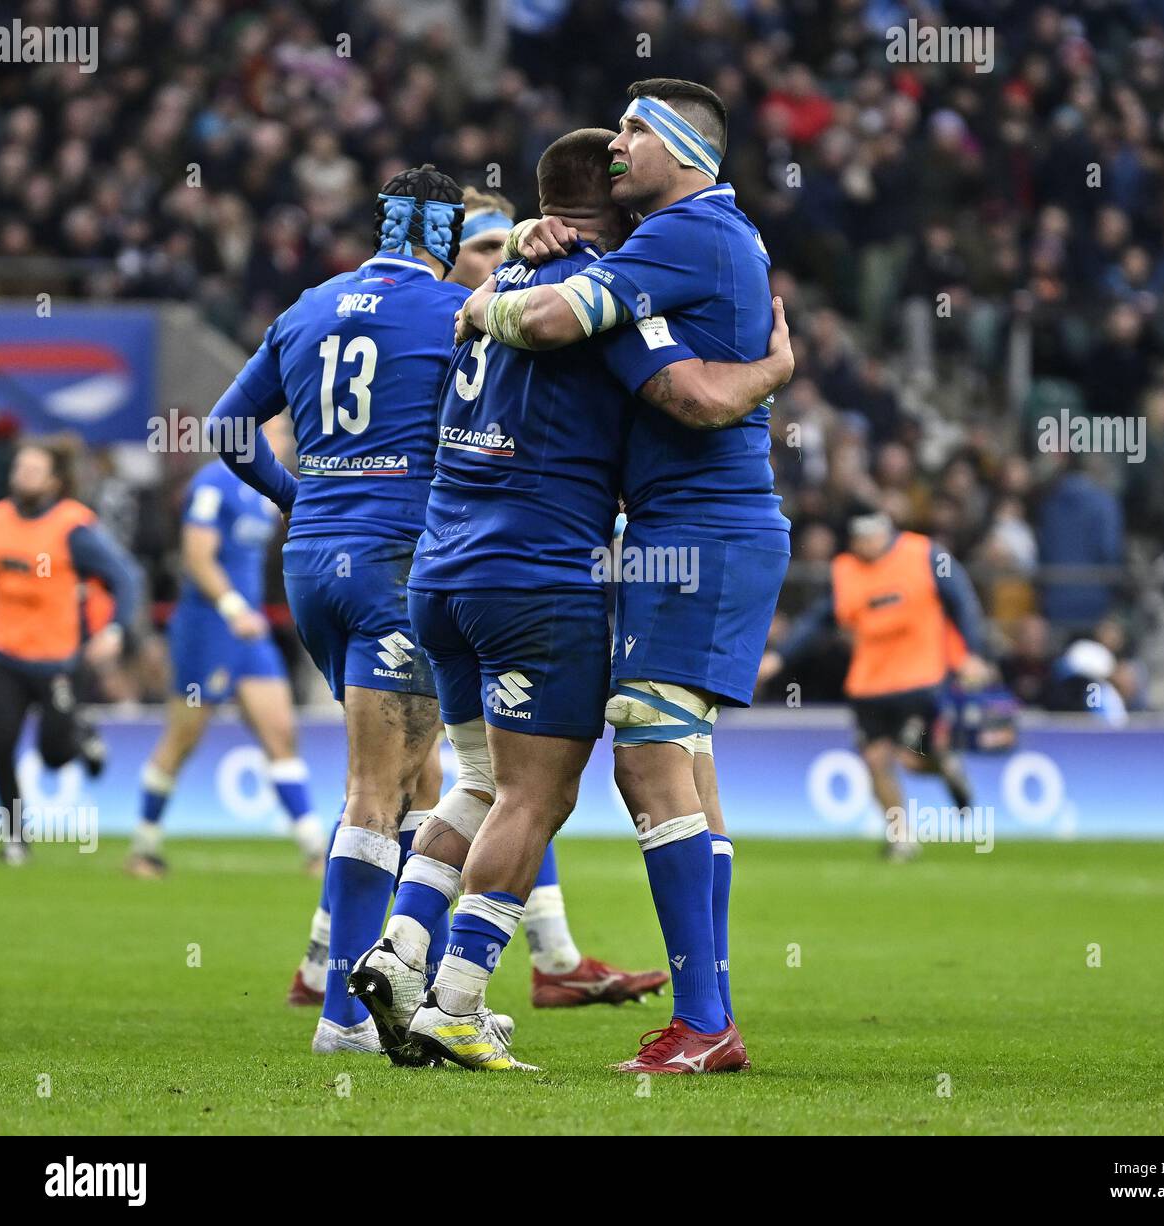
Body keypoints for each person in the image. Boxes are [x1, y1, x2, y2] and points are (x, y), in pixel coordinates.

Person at [351, 126, 792, 1072]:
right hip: (538, 575)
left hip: (440, 573)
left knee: (474, 779)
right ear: (619, 203)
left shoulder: (501, 280)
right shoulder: (600, 298)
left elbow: (493, 321)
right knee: (536, 792)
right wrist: (773, 374)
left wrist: (504, 264)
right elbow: (688, 396)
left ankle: (400, 947)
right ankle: (462, 1000)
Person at [286, 179, 670, 1014]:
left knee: (465, 778)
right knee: (497, 783)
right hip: (483, 568)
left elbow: (241, 425)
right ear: (453, 249)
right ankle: (409, 998)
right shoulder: (491, 320)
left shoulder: (433, 319)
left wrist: (309, 495)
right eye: (486, 247)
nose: (501, 259)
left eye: (508, 242)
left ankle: (370, 955)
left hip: (410, 572)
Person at [208, 164, 471, 1054]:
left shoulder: (309, 305)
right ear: (443, 234)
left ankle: (404, 989)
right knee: (383, 784)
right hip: (400, 562)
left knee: (403, 782)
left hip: (313, 561)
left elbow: (224, 429)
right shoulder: (456, 314)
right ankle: (345, 1020)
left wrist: (298, 497)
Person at [126, 424, 325, 878]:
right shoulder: (213, 483)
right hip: (207, 629)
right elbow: (197, 557)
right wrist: (233, 606)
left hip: (248, 633)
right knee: (183, 738)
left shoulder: (264, 491)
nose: (285, 444)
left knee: (280, 732)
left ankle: (315, 849)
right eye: (276, 435)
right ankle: (144, 844)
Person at [0, 439, 140, 864]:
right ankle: (17, 835)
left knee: (54, 755)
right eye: (20, 467)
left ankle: (82, 737)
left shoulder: (72, 528)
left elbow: (125, 576)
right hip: (4, 655)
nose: (23, 476)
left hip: (57, 660)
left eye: (33, 470)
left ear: (55, 481)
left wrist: (115, 629)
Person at [829, 504, 992, 859]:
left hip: (920, 681)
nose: (863, 545)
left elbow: (961, 601)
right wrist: (781, 656)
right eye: (857, 539)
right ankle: (901, 836)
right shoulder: (845, 570)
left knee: (910, 758)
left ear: (885, 532)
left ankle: (944, 765)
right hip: (869, 685)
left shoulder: (924, 554)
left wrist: (971, 653)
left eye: (868, 537)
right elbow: (823, 617)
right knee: (874, 758)